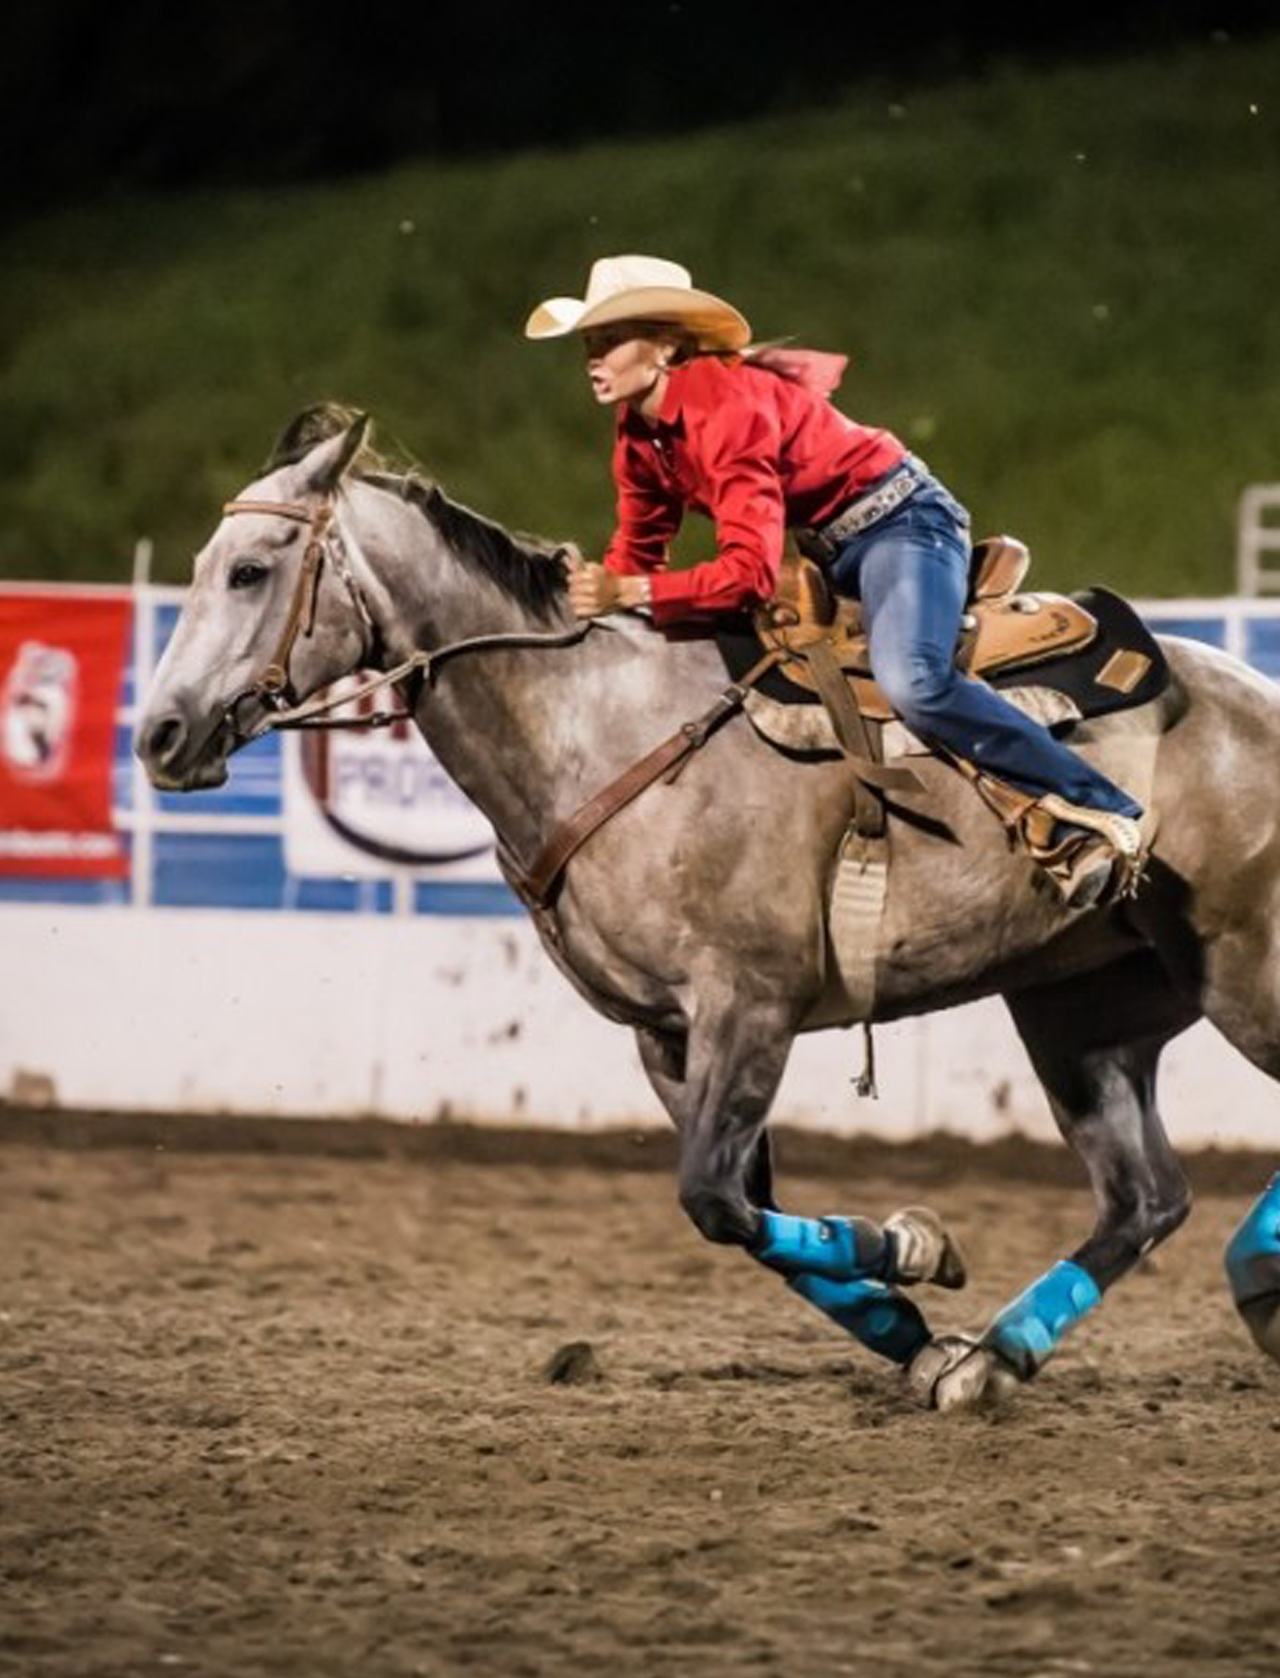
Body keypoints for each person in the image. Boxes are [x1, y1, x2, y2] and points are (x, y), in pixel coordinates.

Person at [524, 254, 1146, 908]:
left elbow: (746, 573)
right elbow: (638, 545)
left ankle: (1098, 807)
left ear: (666, 345)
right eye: (589, 343)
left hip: (904, 524)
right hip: (830, 550)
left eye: (610, 341)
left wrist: (633, 595)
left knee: (914, 681)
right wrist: (592, 615)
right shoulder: (639, 435)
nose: (593, 359)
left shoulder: (723, 407)